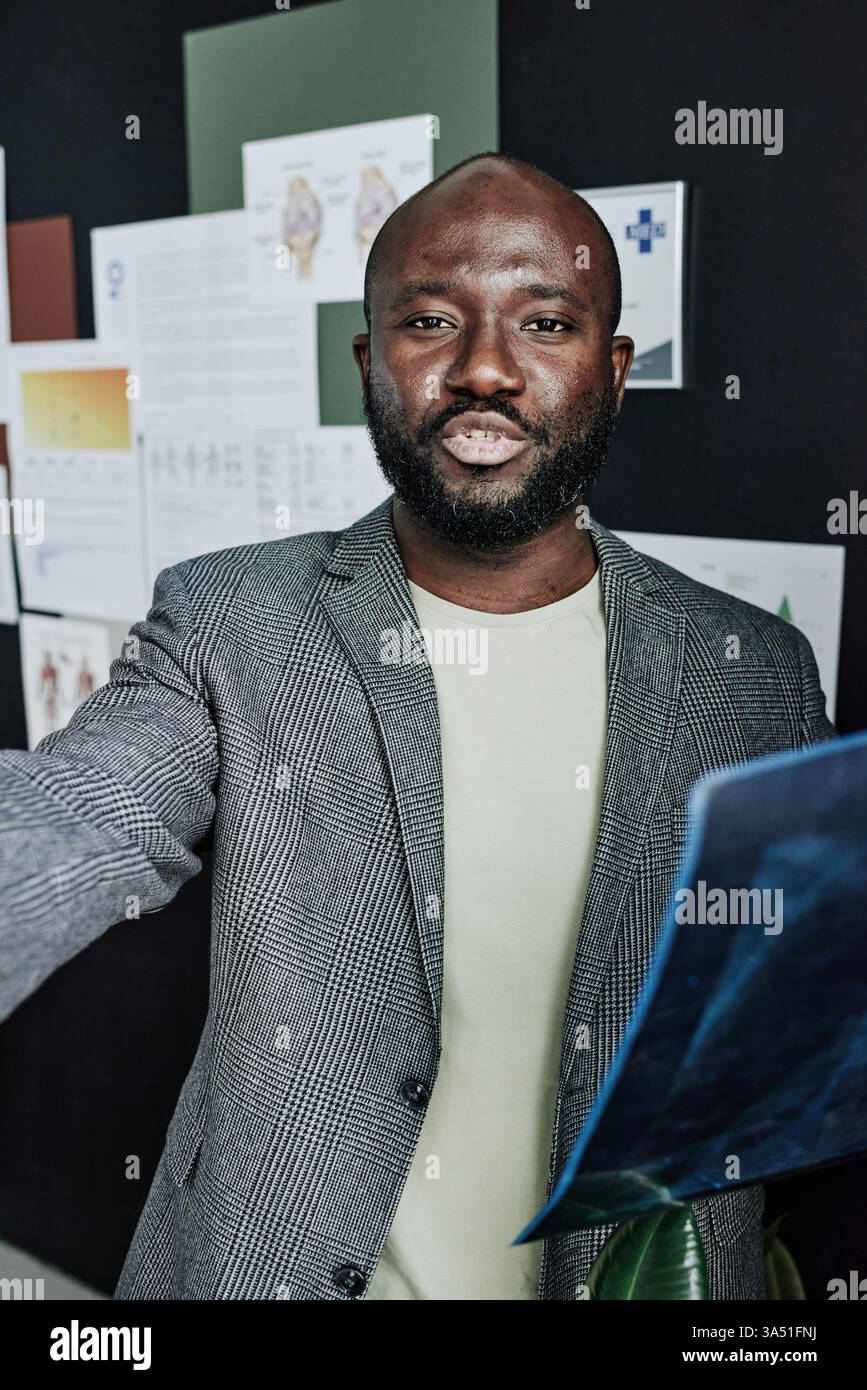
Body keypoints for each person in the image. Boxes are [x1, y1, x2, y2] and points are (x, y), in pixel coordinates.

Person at [0, 153, 834, 1301]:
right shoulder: (232, 619)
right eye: (433, 319)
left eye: (546, 321)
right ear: (368, 363)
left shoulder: (755, 677)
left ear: (615, 368)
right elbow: (75, 813)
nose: (485, 369)